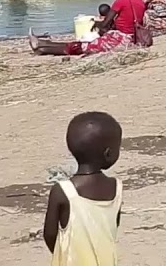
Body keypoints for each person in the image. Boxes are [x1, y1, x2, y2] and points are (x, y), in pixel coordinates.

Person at [43, 111, 123, 265]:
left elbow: (50, 234)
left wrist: (64, 252)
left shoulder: (63, 191)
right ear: (109, 153)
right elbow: (112, 228)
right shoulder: (116, 188)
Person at [30, 0, 147, 55]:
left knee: (81, 46)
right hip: (133, 39)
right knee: (82, 45)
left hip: (121, 39)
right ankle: (42, 45)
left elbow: (105, 24)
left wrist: (96, 23)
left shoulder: (121, 1)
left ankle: (42, 46)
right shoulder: (139, 0)